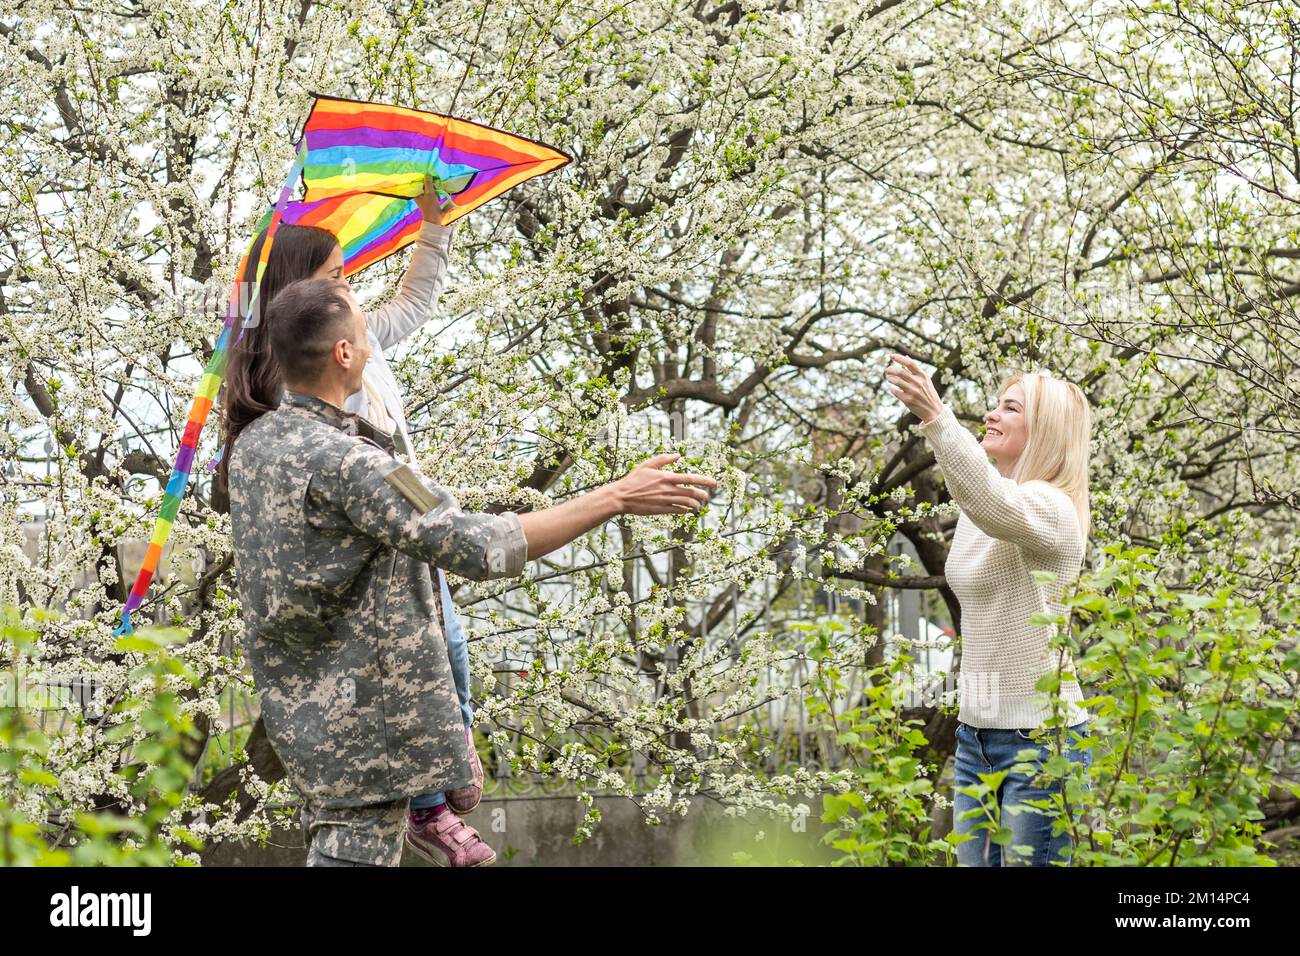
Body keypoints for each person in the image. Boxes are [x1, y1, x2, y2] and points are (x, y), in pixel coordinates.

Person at [225, 276, 717, 866]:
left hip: (298, 706)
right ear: (344, 353)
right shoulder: (353, 464)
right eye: (363, 328)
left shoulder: (254, 447)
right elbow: (481, 546)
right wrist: (614, 497)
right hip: (367, 719)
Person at [220, 182, 497, 864]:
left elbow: (412, 306)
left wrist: (434, 230)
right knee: (420, 656)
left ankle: (440, 774)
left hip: (405, 516)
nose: (352, 291)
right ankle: (432, 796)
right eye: (337, 278)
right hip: (362, 525)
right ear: (296, 299)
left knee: (448, 648)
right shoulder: (294, 397)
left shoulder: (357, 339)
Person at [884, 353, 1093, 867]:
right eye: (995, 405)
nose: (992, 415)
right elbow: (982, 496)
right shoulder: (988, 508)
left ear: (1044, 430)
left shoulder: (1053, 509)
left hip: (1038, 739)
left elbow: (992, 501)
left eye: (1011, 408)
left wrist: (936, 416)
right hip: (976, 734)